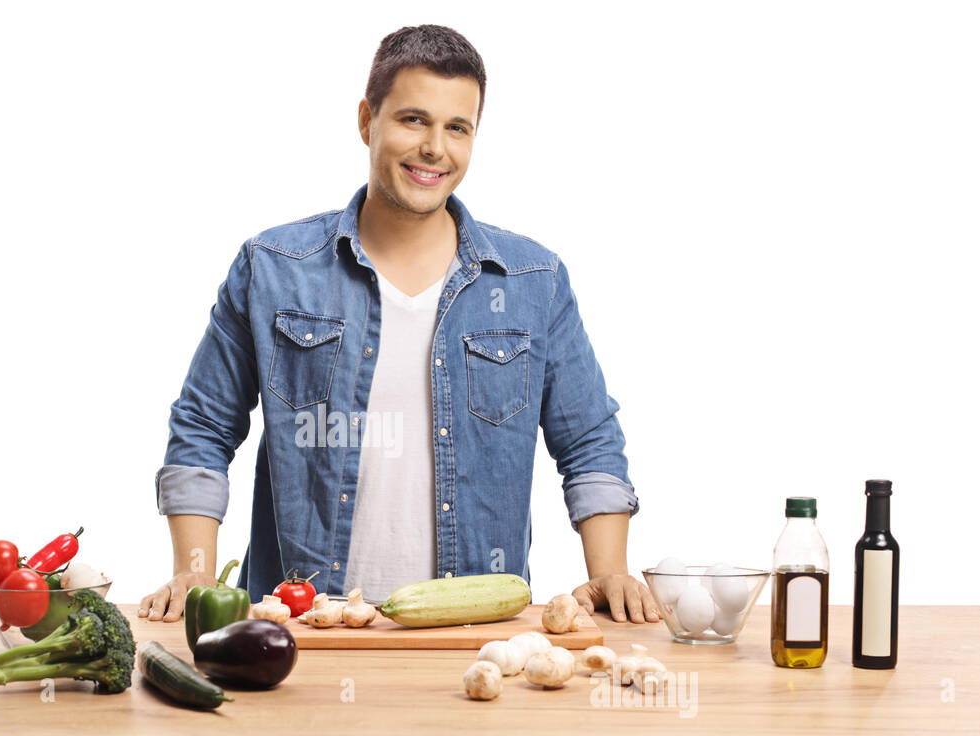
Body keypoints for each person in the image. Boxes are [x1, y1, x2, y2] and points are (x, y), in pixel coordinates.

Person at [140, 24, 660, 626]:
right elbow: (203, 426)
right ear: (368, 120)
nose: (435, 147)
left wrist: (609, 574)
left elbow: (590, 439)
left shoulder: (532, 282)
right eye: (414, 120)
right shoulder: (274, 269)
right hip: (302, 626)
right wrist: (195, 572)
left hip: (472, 629)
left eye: (457, 127)